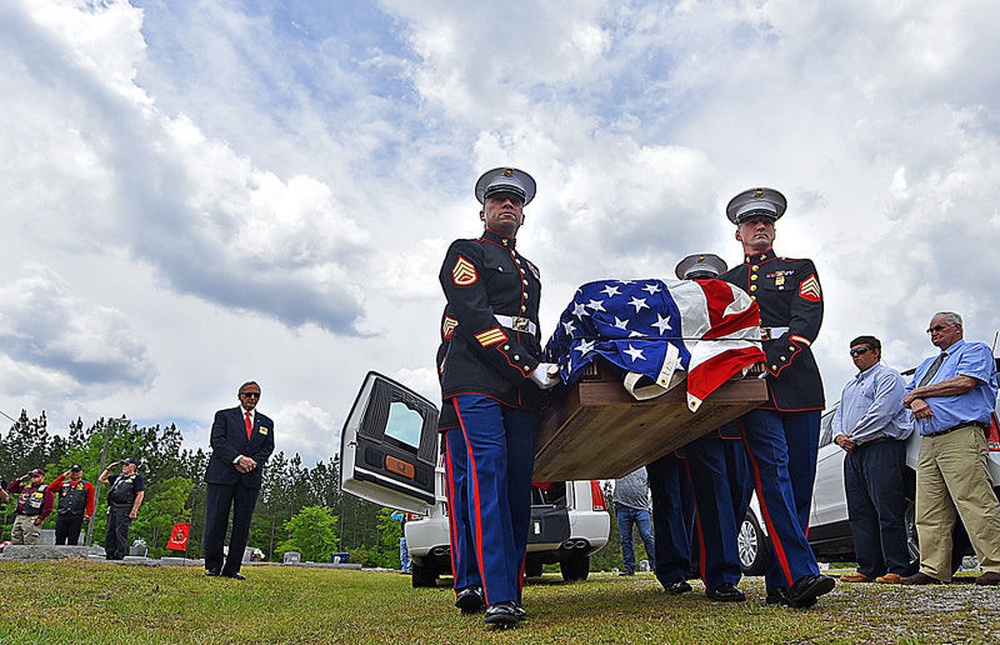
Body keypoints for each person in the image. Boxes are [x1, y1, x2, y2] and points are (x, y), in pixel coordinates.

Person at [438, 167, 557, 628]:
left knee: (515, 489)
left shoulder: (530, 270)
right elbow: (474, 315)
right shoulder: (465, 253)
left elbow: (532, 328)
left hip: (521, 390)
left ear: (523, 215)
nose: (508, 206)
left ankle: (511, 587)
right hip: (478, 379)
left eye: (516, 201)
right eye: (499, 200)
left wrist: (546, 372)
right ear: (483, 210)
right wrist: (526, 366)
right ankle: (497, 596)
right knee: (487, 474)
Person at [718, 187, 835, 607]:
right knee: (774, 479)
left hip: (798, 383)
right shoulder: (726, 281)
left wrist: (778, 359)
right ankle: (802, 573)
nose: (760, 227)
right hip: (752, 390)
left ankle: (779, 582)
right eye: (752, 223)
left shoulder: (799, 267)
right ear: (739, 234)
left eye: (766, 222)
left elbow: (808, 318)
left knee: (799, 485)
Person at [899, 312, 1000, 586]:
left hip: (961, 435)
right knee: (929, 508)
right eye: (930, 330)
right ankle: (932, 568)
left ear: (957, 329)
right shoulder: (926, 364)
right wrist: (915, 399)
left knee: (974, 500)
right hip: (929, 441)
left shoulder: (974, 350)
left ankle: (995, 563)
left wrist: (920, 393)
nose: (933, 333)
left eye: (939, 328)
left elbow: (965, 382)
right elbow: (907, 394)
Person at [675, 253, 753, 602]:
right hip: (701, 422)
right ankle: (721, 576)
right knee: (713, 500)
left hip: (737, 421)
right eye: (699, 283)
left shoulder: (738, 314)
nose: (705, 288)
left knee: (738, 497)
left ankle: (714, 563)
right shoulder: (680, 317)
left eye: (711, 281)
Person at [832, 335, 913, 584]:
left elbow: (883, 412)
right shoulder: (850, 386)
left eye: (861, 350)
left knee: (887, 508)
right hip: (854, 452)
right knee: (860, 511)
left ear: (876, 352)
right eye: (852, 352)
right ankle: (868, 567)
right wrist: (838, 437)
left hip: (881, 447)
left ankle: (897, 567)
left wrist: (854, 435)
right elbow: (838, 417)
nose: (856, 355)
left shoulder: (888, 377)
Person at [203, 380, 275, 580]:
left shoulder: (266, 423)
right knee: (216, 521)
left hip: (249, 479)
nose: (252, 398)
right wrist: (237, 459)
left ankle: (232, 568)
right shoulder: (224, 416)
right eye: (248, 394)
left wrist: (251, 462)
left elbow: (268, 448)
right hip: (222, 476)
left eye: (256, 395)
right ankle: (213, 565)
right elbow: (217, 441)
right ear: (240, 395)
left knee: (242, 524)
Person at [98, 458, 144, 559]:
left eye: (127, 465)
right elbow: (101, 479)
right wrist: (109, 468)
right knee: (110, 531)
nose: (124, 466)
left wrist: (134, 510)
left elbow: (140, 494)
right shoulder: (119, 477)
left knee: (120, 532)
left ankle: (119, 554)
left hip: (125, 507)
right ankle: (109, 553)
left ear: (133, 466)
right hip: (113, 507)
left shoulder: (136, 478)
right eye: (123, 464)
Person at [614, 467, 656, 576]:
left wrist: (650, 503)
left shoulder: (646, 467)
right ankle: (629, 568)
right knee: (625, 539)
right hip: (622, 507)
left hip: (642, 508)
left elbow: (653, 485)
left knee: (647, 537)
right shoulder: (620, 464)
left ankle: (656, 565)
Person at [49, 464, 96, 545]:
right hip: (63, 513)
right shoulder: (63, 484)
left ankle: (71, 556)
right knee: (59, 537)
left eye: (77, 472)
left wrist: (89, 513)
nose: (75, 474)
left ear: (81, 473)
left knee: (73, 538)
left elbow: (90, 500)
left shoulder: (87, 485)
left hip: (76, 514)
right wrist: (63, 476)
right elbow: (51, 488)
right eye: (73, 471)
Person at [7, 468, 55, 545]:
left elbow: (48, 507)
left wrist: (41, 518)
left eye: (36, 476)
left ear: (42, 477)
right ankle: (17, 556)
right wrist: (21, 479)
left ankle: (30, 556)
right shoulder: (26, 487)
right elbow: (11, 488)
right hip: (20, 516)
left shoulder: (46, 489)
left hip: (33, 516)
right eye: (31, 476)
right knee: (16, 537)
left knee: (30, 539)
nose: (33, 478)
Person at [390, 510, 413, 574]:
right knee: (403, 554)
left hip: (411, 538)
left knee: (410, 554)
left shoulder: (414, 517)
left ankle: (409, 569)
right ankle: (404, 569)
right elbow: (393, 516)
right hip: (403, 538)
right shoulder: (402, 517)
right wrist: (398, 510)